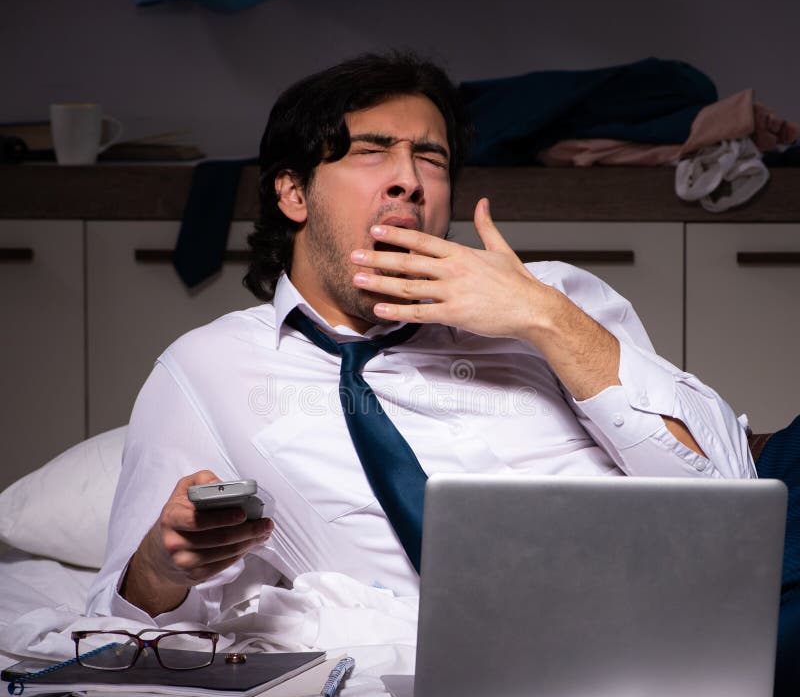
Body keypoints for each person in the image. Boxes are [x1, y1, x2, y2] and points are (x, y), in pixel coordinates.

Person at [87, 52, 755, 624]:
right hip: (549, 640)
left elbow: (735, 499)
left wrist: (543, 318)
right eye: (373, 150)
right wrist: (161, 564)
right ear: (293, 193)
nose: (409, 177)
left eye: (430, 158)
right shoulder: (208, 370)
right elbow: (122, 618)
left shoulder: (548, 296)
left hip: (692, 591)